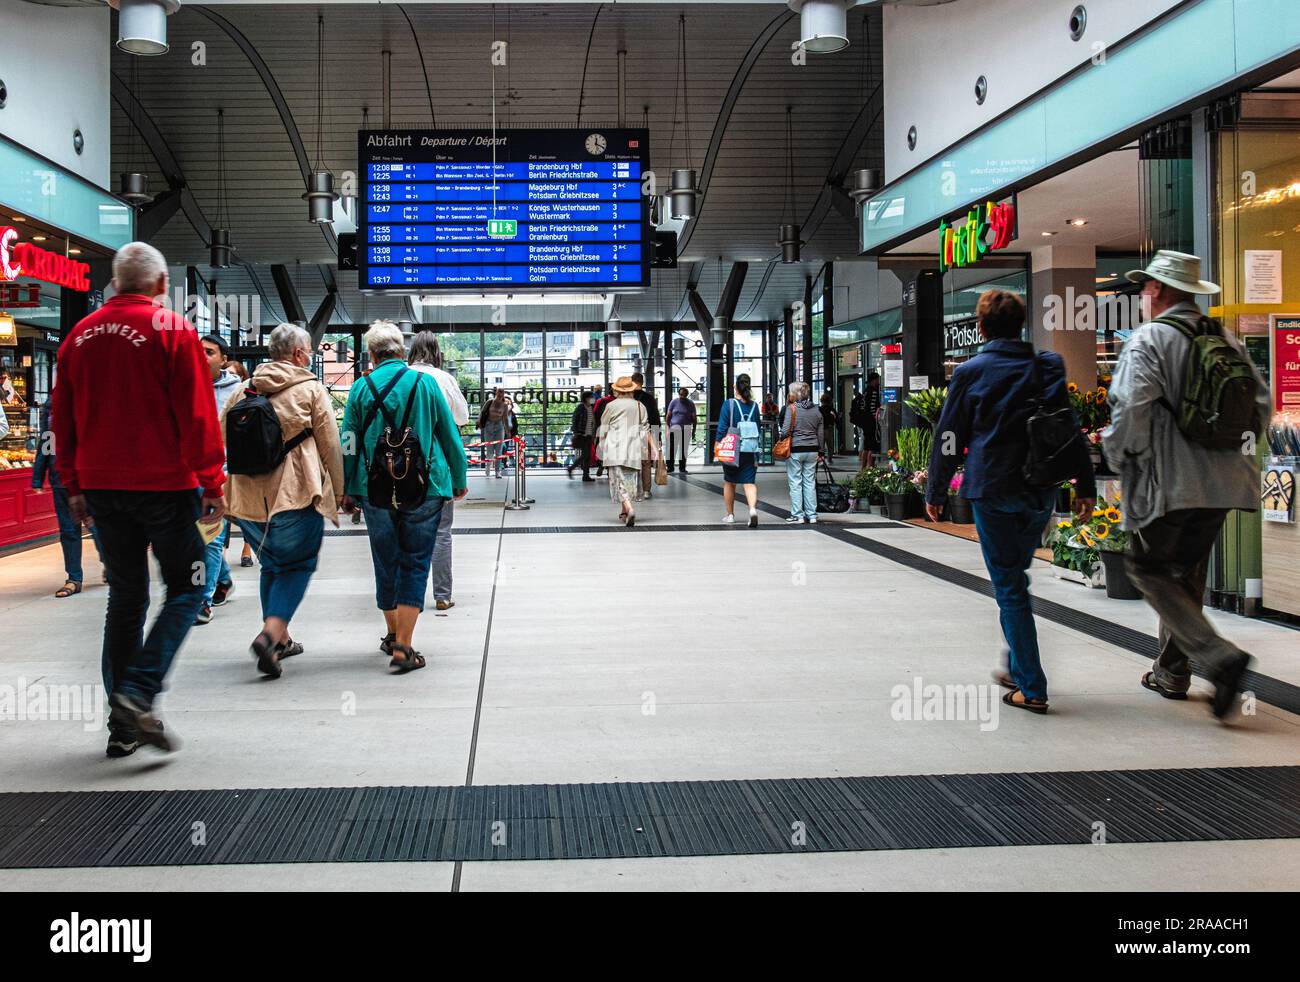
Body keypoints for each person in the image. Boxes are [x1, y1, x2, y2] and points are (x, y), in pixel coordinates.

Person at [52, 241, 226, 756]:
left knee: (126, 598)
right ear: (160, 284)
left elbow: (62, 420)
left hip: (103, 489)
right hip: (165, 488)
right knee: (191, 587)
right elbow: (196, 414)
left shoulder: (78, 338)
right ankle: (139, 690)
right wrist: (212, 482)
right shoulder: (173, 331)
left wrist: (74, 484)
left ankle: (122, 726)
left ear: (115, 282)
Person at [1105, 251, 1271, 719]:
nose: (1141, 296)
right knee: (1187, 573)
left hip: (1170, 484)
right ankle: (1173, 671)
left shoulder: (1149, 341)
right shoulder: (1225, 339)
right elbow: (1262, 406)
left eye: (1144, 288)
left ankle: (1220, 658)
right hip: (1226, 484)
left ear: (1157, 290)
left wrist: (1119, 459)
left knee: (1148, 569)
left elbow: (1130, 411)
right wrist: (1228, 457)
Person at [925, 289, 1096, 715]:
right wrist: (1086, 485)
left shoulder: (972, 371)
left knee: (1009, 587)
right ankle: (1015, 664)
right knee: (1014, 579)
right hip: (1038, 489)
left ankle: (1031, 685)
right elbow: (1068, 428)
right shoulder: (1047, 365)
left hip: (993, 490)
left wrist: (935, 491)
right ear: (1021, 325)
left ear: (981, 327)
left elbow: (950, 436)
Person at [340, 321, 468, 673]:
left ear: (371, 354)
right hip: (425, 486)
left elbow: (348, 441)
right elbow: (447, 436)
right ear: (401, 350)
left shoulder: (361, 388)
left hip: (373, 489)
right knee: (414, 563)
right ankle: (404, 648)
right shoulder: (425, 384)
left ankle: (391, 632)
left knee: (386, 561)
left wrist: (349, 487)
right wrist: (457, 478)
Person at [221, 324, 344, 679]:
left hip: (247, 499)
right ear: (298, 355)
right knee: (299, 565)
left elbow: (220, 435)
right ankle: (270, 633)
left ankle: (280, 642)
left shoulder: (245, 390)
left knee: (272, 566)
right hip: (295, 494)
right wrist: (340, 489)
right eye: (310, 351)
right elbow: (330, 444)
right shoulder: (309, 389)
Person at [409, 331, 469, 612]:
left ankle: (409, 596)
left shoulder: (402, 376)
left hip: (398, 467)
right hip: (436, 465)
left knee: (405, 533)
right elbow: (462, 418)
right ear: (437, 353)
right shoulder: (444, 379)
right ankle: (442, 595)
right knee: (442, 531)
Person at [32, 400, 105, 596]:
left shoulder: (90, 406)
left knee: (97, 528)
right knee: (68, 531)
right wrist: (37, 479)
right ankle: (74, 578)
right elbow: (45, 445)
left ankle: (109, 563)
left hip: (88, 480)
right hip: (61, 481)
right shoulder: (53, 411)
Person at [195, 333, 243, 624]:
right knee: (196, 540)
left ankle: (203, 600)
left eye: (209, 352)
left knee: (209, 540)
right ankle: (223, 579)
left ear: (224, 360)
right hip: (187, 475)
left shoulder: (237, 391)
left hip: (220, 476)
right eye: (198, 351)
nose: (202, 357)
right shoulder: (183, 386)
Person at [595, 376, 647, 526]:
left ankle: (630, 509)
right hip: (633, 448)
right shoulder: (639, 405)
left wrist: (601, 444)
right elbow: (645, 428)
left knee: (618, 480)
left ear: (616, 390)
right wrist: (649, 448)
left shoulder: (611, 406)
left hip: (615, 447)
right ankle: (624, 512)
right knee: (629, 480)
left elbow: (603, 427)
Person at [716, 373, 762, 527]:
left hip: (732, 447)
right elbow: (758, 428)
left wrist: (717, 445)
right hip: (749, 449)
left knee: (729, 482)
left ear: (735, 387)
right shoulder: (755, 406)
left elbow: (722, 427)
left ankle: (730, 515)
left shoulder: (729, 404)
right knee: (749, 482)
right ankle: (752, 510)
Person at [778, 382, 825, 525]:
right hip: (812, 450)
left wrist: (781, 438)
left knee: (795, 482)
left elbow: (785, 431)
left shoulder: (791, 409)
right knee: (810, 483)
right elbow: (821, 433)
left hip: (796, 450)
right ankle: (812, 515)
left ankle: (798, 515)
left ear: (795, 395)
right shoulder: (817, 410)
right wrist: (821, 451)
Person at [630, 372, 661, 499]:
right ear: (642, 382)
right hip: (646, 433)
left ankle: (633, 489)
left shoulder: (627, 397)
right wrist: (657, 437)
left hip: (629, 434)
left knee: (631, 462)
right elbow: (655, 418)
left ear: (632, 381)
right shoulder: (649, 398)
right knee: (646, 463)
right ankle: (646, 490)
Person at [477, 387, 512, 478]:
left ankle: (497, 471)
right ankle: (488, 468)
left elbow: (505, 419)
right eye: (499, 392)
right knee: (489, 451)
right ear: (496, 393)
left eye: (502, 392)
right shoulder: (490, 401)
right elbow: (482, 412)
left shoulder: (504, 405)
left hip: (499, 427)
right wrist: (479, 421)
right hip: (489, 426)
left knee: (499, 451)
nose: (500, 393)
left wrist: (508, 431)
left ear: (503, 394)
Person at [850, 372, 882, 468]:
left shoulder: (865, 391)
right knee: (872, 446)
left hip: (864, 421)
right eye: (878, 379)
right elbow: (873, 408)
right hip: (871, 422)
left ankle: (863, 468)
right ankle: (871, 467)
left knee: (866, 446)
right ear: (874, 380)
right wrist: (876, 419)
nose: (879, 381)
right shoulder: (874, 392)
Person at [665, 387, 697, 473]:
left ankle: (682, 468)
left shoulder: (690, 403)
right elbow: (668, 416)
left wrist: (694, 431)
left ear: (687, 395)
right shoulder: (673, 402)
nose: (682, 396)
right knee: (672, 448)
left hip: (686, 429)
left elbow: (694, 418)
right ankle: (670, 467)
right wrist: (667, 428)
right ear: (679, 394)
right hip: (674, 429)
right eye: (681, 394)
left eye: (684, 395)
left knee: (683, 449)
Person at [568, 389, 597, 482]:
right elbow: (574, 420)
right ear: (586, 398)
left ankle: (585, 476)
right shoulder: (580, 407)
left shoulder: (590, 408)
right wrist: (576, 432)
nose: (593, 399)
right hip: (582, 434)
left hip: (589, 435)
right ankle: (572, 468)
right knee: (585, 455)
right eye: (591, 397)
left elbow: (592, 421)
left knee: (587, 456)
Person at [819, 391, 840, 463]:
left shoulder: (819, 409)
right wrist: (838, 427)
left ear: (821, 401)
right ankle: (829, 459)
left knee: (821, 445)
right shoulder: (832, 409)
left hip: (821, 429)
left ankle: (821, 458)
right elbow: (836, 419)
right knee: (830, 445)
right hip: (829, 428)